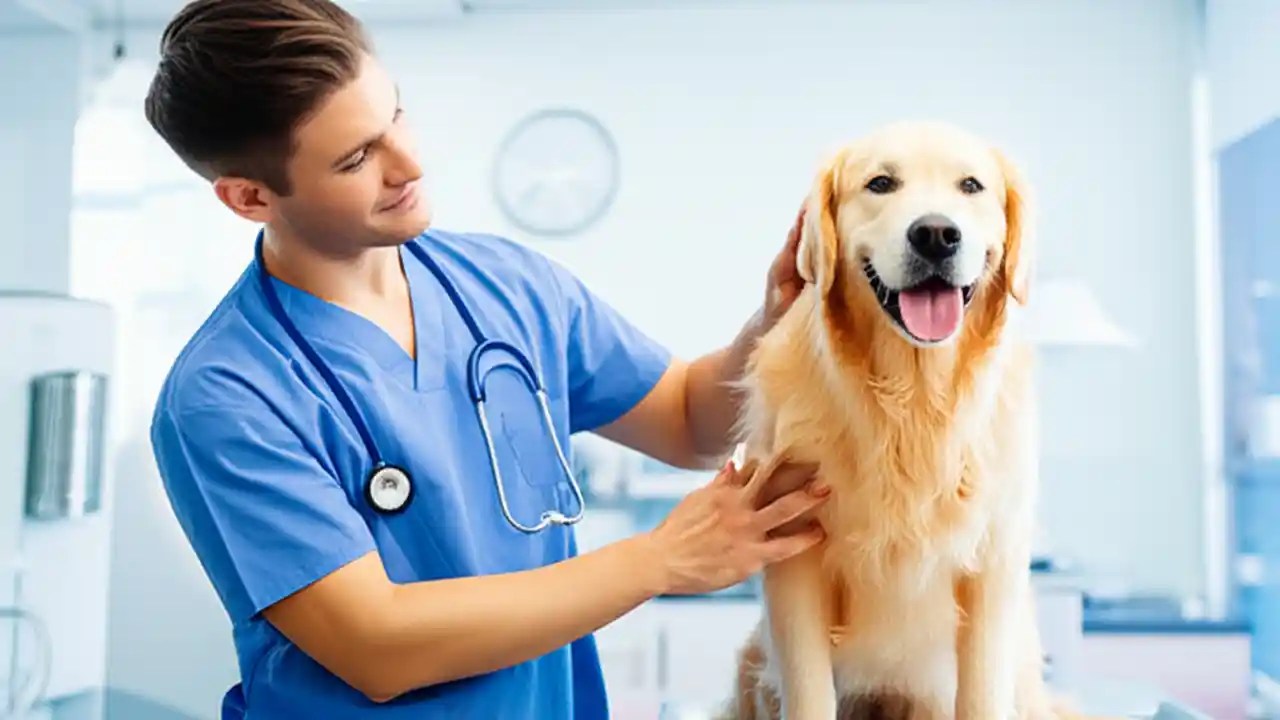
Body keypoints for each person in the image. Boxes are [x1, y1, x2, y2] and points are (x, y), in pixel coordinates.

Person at [143, 1, 830, 718]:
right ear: (250, 198)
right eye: (356, 158)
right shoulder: (226, 395)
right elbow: (376, 646)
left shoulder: (507, 286)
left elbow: (689, 422)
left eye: (396, 116)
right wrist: (658, 559)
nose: (408, 164)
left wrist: (776, 323)